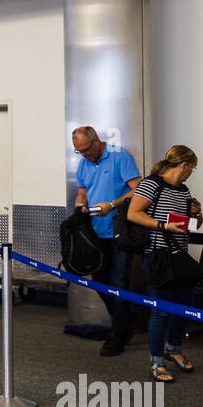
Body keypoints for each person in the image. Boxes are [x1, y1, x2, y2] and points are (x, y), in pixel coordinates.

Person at [127, 145, 203, 382]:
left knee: (184, 305)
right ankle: (156, 361)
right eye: (193, 168)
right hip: (158, 255)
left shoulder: (184, 190)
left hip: (179, 255)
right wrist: (163, 226)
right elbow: (133, 213)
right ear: (184, 165)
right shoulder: (152, 184)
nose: (192, 172)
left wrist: (197, 215)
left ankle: (174, 349)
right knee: (160, 310)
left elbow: (191, 227)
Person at [71, 126, 142, 356]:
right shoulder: (84, 163)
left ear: (96, 141)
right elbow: (83, 191)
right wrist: (80, 202)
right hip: (96, 232)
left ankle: (118, 336)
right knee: (100, 282)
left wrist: (113, 204)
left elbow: (139, 189)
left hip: (119, 232)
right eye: (79, 151)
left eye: (86, 150)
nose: (84, 155)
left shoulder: (120, 156)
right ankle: (125, 321)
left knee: (119, 284)